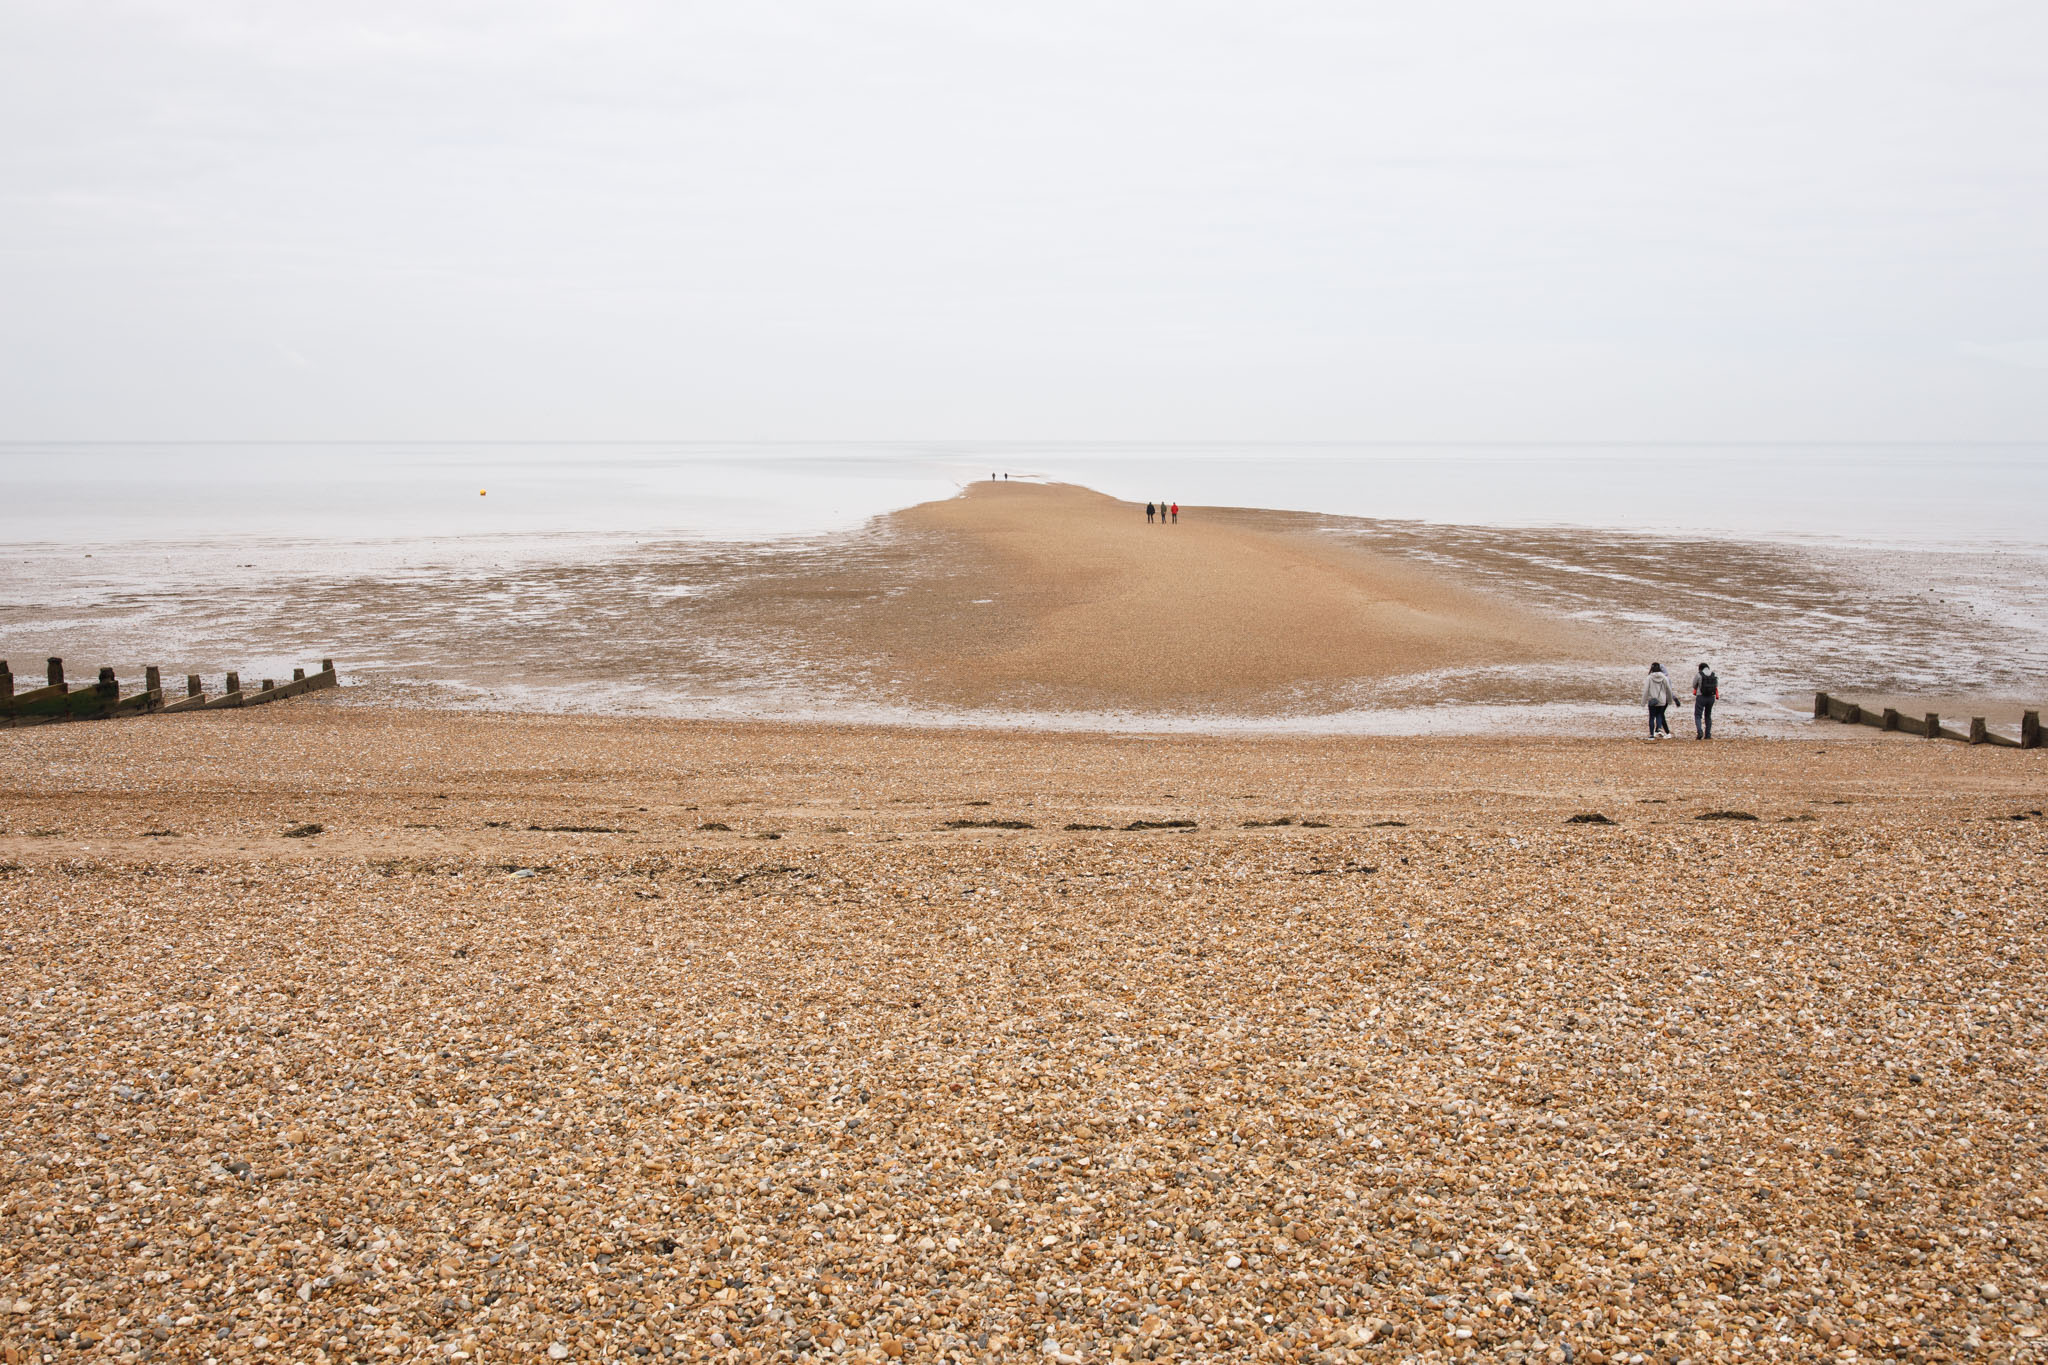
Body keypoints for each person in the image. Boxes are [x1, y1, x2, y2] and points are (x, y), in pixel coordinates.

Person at [1643, 662, 1675, 738]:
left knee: (1651, 717)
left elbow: (1646, 690)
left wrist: (1643, 702)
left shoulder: (1649, 677)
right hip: (1662, 700)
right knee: (1659, 715)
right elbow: (1669, 690)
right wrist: (1670, 700)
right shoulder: (1664, 678)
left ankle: (1651, 735)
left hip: (1652, 700)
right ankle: (1659, 730)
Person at [1691, 662, 1719, 740]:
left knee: (1698, 715)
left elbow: (1694, 685)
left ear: (1700, 668)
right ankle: (1708, 734)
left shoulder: (1699, 674)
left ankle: (1700, 731)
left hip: (1701, 697)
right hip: (1711, 698)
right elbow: (1716, 685)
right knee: (1708, 715)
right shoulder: (1713, 674)